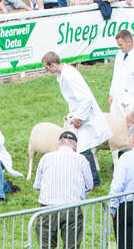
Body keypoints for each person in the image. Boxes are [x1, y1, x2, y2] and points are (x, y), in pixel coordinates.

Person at [43, 51, 108, 188]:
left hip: (85, 116)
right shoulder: (63, 75)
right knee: (82, 148)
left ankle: (94, 183)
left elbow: (86, 98)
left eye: (47, 68)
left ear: (53, 64)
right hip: (78, 113)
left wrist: (79, 117)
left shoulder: (69, 75)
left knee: (83, 148)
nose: (46, 71)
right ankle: (88, 180)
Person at [108, 28, 134, 120]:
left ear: (129, 42)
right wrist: (111, 93)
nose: (119, 47)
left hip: (133, 101)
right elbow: (115, 75)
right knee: (117, 126)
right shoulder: (119, 54)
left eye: (121, 45)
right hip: (118, 99)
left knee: (133, 129)